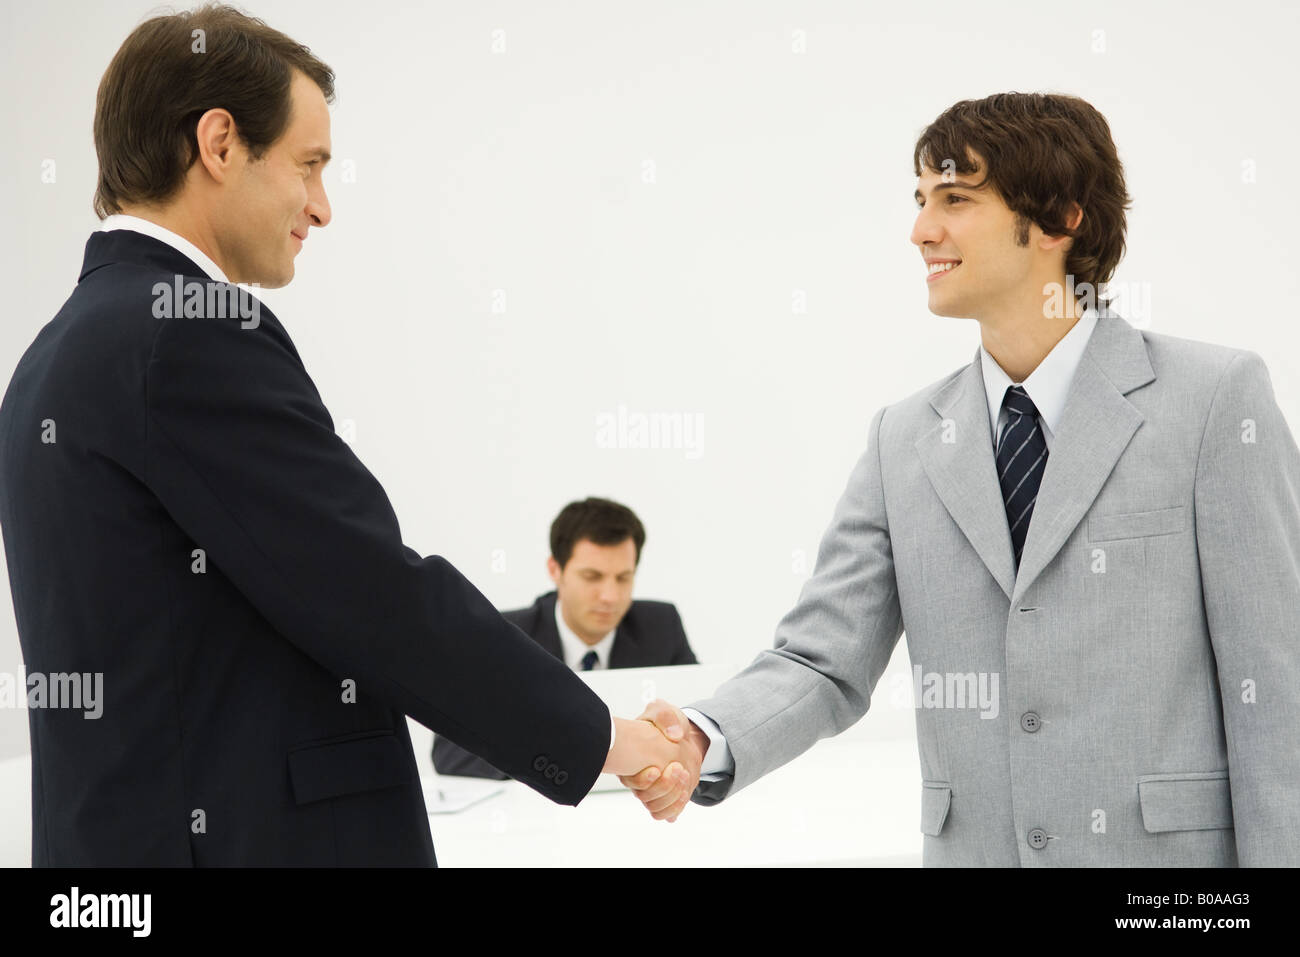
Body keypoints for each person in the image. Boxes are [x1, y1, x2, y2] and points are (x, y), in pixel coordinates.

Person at [0, 4, 688, 866]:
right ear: (219, 144)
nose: (322, 208)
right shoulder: (185, 333)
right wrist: (606, 738)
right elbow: (370, 595)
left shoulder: (54, 355)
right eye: (309, 165)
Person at [623, 92, 1300, 866]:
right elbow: (822, 660)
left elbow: (1278, 691)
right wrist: (701, 736)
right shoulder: (901, 439)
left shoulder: (1214, 402)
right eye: (920, 201)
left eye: (955, 198)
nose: (920, 230)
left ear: (1060, 219)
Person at [433, 497, 698, 778]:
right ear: (555, 570)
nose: (610, 596)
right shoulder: (506, 634)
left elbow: (694, 730)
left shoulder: (661, 627)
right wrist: (574, 756)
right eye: (592, 577)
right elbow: (451, 755)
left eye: (623, 578)